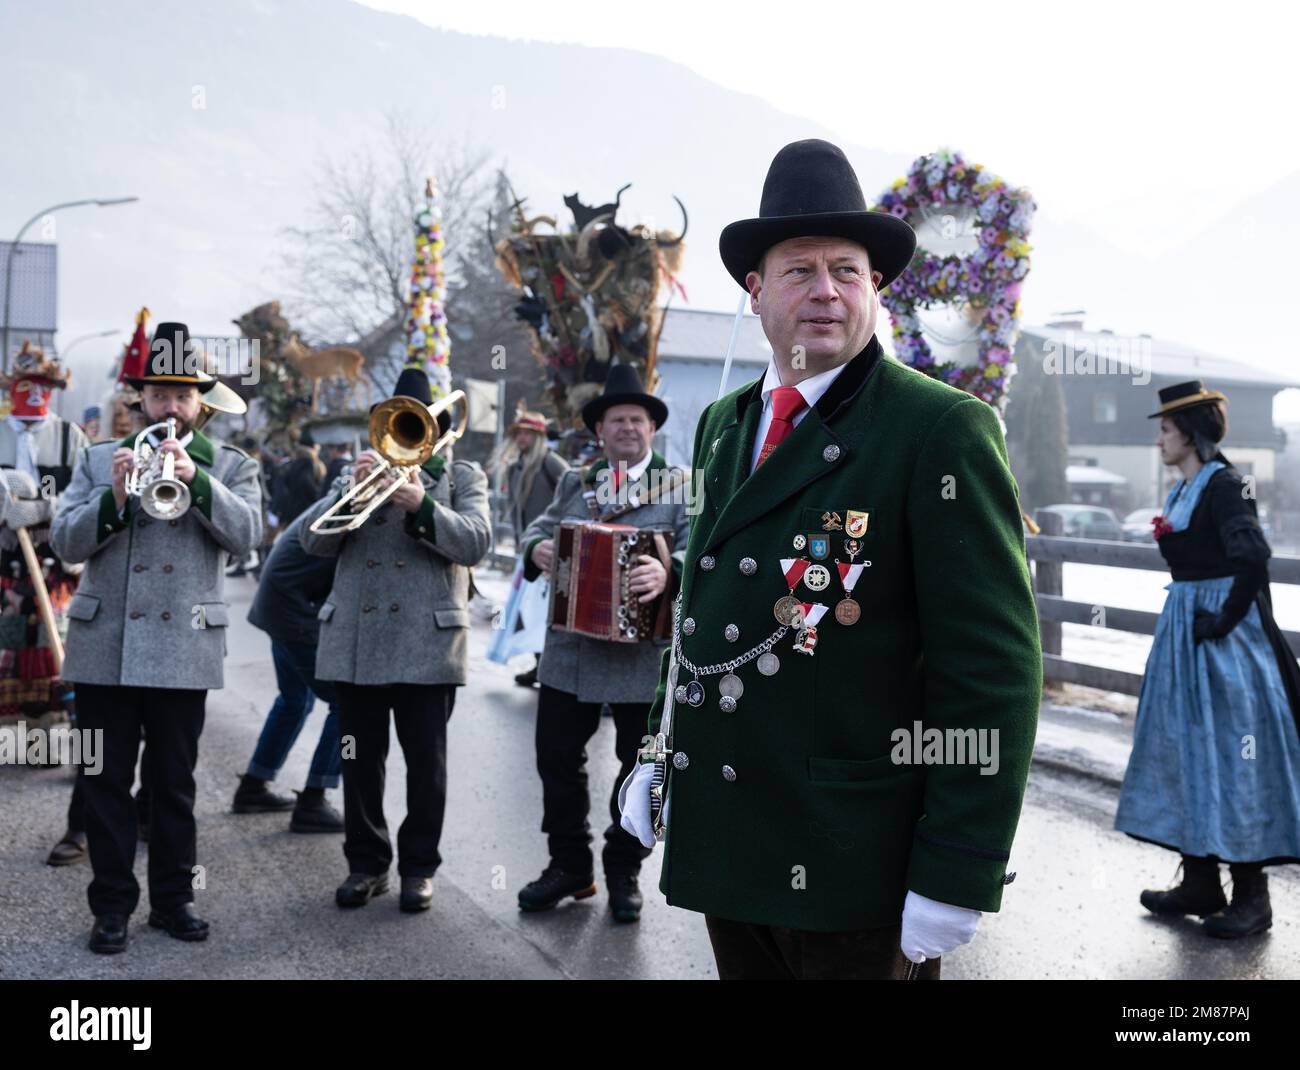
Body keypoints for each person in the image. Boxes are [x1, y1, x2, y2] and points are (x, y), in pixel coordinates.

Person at [619, 139, 1041, 978]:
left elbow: (991, 671)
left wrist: (959, 867)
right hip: (732, 843)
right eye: (799, 269)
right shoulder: (725, 423)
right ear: (756, 289)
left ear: (875, 290)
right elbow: (705, 612)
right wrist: (657, 755)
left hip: (855, 866)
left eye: (847, 271)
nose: (825, 291)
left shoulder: (937, 429)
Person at [51, 321, 262, 954]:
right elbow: (64, 544)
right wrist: (113, 498)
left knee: (173, 786)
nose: (170, 407)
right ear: (140, 398)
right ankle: (112, 907)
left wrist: (196, 484)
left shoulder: (231, 465)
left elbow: (248, 535)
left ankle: (174, 901)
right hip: (105, 647)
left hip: (183, 648)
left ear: (201, 401)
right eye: (159, 394)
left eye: (183, 395)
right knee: (104, 782)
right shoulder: (96, 458)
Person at [300, 367, 490, 913]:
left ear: (435, 426)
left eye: (418, 420)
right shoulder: (356, 473)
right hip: (357, 640)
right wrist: (346, 489)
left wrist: (420, 504)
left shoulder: (461, 476)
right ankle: (366, 865)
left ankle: (418, 868)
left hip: (427, 644)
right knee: (360, 762)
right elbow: (311, 542)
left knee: (425, 765)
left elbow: (477, 542)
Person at [1116, 381, 1300, 938]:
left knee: (1234, 755)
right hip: (1186, 636)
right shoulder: (1185, 487)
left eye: (1166, 430)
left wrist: (1222, 621)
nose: (1159, 440)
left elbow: (1253, 558)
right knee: (1186, 748)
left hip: (1224, 643)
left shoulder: (1226, 485)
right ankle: (1200, 880)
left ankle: (1252, 898)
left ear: (1190, 433)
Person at [515, 365, 690, 922]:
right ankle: (570, 865)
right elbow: (537, 528)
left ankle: (623, 868)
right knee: (556, 760)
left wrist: (669, 573)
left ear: (651, 428)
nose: (628, 429)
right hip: (572, 652)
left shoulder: (684, 486)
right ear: (601, 431)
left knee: (639, 767)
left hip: (644, 657)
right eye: (618, 420)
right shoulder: (576, 481)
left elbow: (703, 551)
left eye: (638, 420)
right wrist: (538, 549)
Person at [0, 343, 90, 861]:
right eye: (25, 385)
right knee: (8, 654)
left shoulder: (70, 437)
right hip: (5, 572)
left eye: (44, 386)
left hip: (52, 569)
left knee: (61, 660)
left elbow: (81, 497)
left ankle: (60, 747)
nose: (34, 394)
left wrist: (41, 508)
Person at [232, 507, 343, 832]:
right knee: (347, 703)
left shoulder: (341, 493)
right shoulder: (353, 498)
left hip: (280, 603)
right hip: (293, 609)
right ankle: (314, 800)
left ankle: (254, 786)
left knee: (295, 700)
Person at [490, 410, 569, 687]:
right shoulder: (514, 467)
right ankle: (539, 665)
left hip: (551, 549)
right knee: (530, 611)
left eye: (527, 433)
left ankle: (549, 668)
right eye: (518, 433)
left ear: (538, 436)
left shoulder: (551, 464)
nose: (522, 438)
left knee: (548, 612)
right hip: (528, 549)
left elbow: (573, 495)